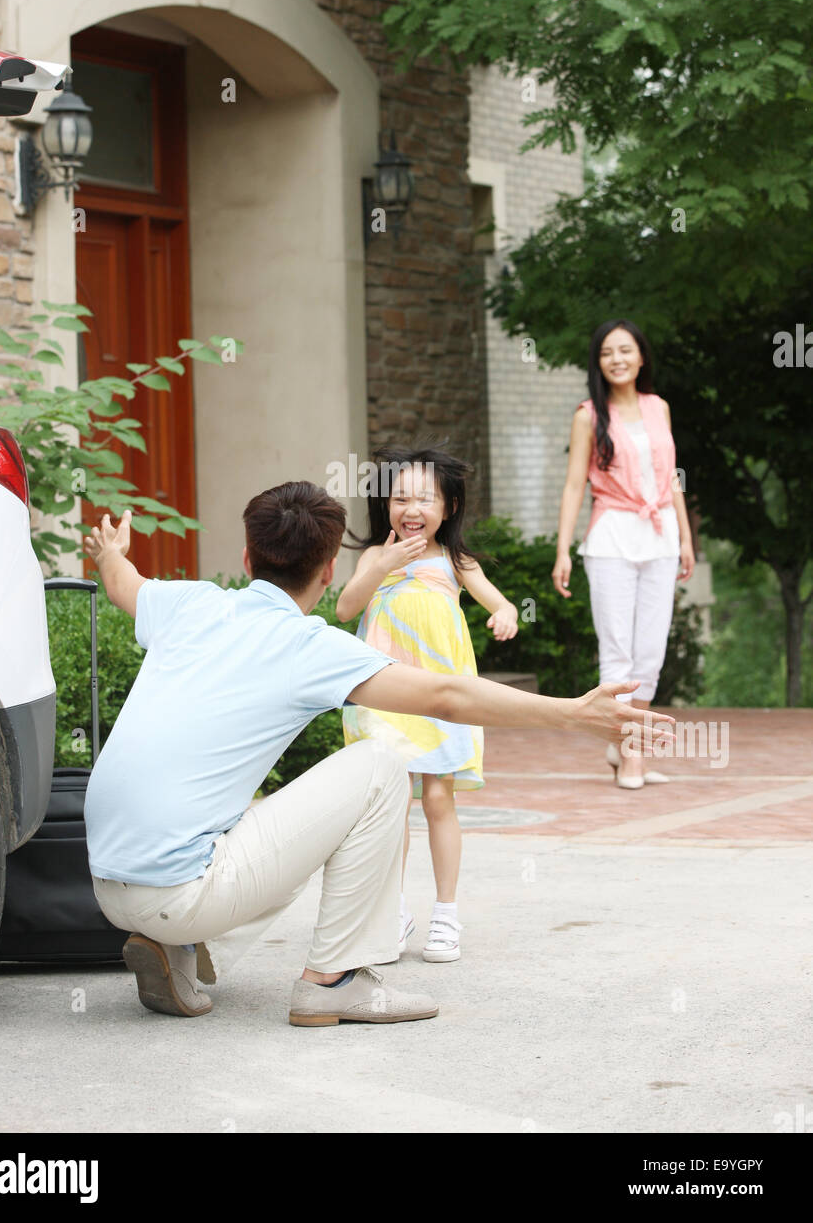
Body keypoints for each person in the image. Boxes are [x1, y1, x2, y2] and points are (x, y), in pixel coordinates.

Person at [84, 480, 673, 1027]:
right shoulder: (308, 646)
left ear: (247, 558)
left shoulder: (191, 604)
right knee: (384, 761)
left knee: (263, 819)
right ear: (326, 572)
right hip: (181, 892)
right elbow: (444, 693)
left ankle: (175, 947)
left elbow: (121, 582)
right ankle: (333, 980)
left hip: (106, 884)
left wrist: (111, 548)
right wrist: (573, 713)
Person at [337, 446, 518, 964]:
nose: (411, 509)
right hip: (384, 694)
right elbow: (346, 607)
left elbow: (498, 600)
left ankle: (445, 914)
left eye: (424, 499)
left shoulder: (455, 560)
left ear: (450, 506)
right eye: (399, 499)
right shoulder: (375, 556)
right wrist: (384, 564)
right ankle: (392, 912)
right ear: (384, 505)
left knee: (439, 800)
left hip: (441, 696)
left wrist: (506, 615)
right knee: (392, 807)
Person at [551, 320, 694, 789]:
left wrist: (687, 538)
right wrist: (563, 549)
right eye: (607, 352)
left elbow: (670, 477)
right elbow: (575, 484)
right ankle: (631, 755)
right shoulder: (588, 415)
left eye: (625, 350)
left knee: (650, 651)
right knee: (618, 650)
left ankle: (624, 744)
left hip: (661, 537)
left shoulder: (659, 408)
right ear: (598, 362)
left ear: (641, 357)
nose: (617, 359)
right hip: (611, 536)